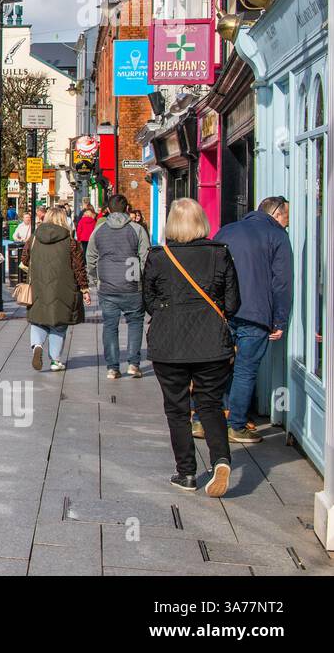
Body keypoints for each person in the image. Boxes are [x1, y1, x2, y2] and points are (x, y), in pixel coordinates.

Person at [143, 198, 240, 497]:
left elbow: (147, 303)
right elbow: (234, 304)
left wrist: (168, 309)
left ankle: (186, 473)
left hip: (169, 344)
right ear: (202, 222)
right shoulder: (220, 254)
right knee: (210, 404)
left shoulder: (158, 256)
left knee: (177, 409)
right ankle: (221, 460)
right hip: (211, 343)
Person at [213, 196, 293, 444]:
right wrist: (280, 321)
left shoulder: (226, 231)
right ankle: (236, 425)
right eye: (287, 216)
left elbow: (212, 271)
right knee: (245, 370)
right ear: (277, 214)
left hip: (223, 312)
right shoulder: (278, 236)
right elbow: (282, 283)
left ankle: (205, 418)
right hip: (256, 314)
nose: (288, 222)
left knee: (217, 365)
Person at [85, 193, 151, 379]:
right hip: (132, 286)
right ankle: (133, 364)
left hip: (107, 286)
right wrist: (144, 280)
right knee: (135, 323)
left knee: (110, 326)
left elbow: (90, 258)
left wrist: (94, 279)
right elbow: (146, 258)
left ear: (107, 210)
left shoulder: (98, 231)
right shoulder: (137, 230)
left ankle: (113, 368)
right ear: (128, 209)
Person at [22, 206, 90, 372]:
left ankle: (37, 346)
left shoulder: (34, 238)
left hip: (38, 286)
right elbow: (79, 268)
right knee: (59, 324)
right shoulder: (71, 242)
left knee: (38, 320)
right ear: (63, 220)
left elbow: (24, 259)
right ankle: (55, 360)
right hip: (64, 289)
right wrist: (85, 289)